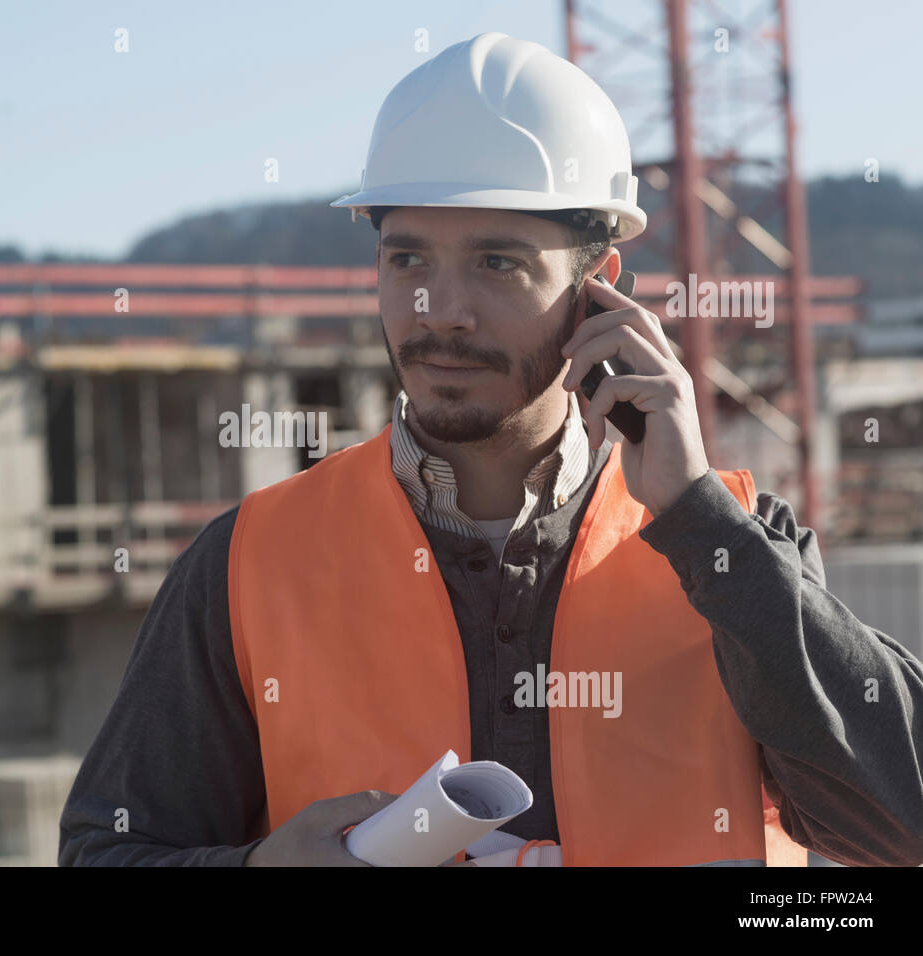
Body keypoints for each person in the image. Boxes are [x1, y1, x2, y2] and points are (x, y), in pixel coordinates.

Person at [58, 32, 923, 867]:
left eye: (498, 263)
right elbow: (105, 851)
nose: (441, 310)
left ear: (600, 290)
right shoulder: (246, 564)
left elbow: (900, 826)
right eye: (407, 259)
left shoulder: (738, 547)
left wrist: (701, 521)